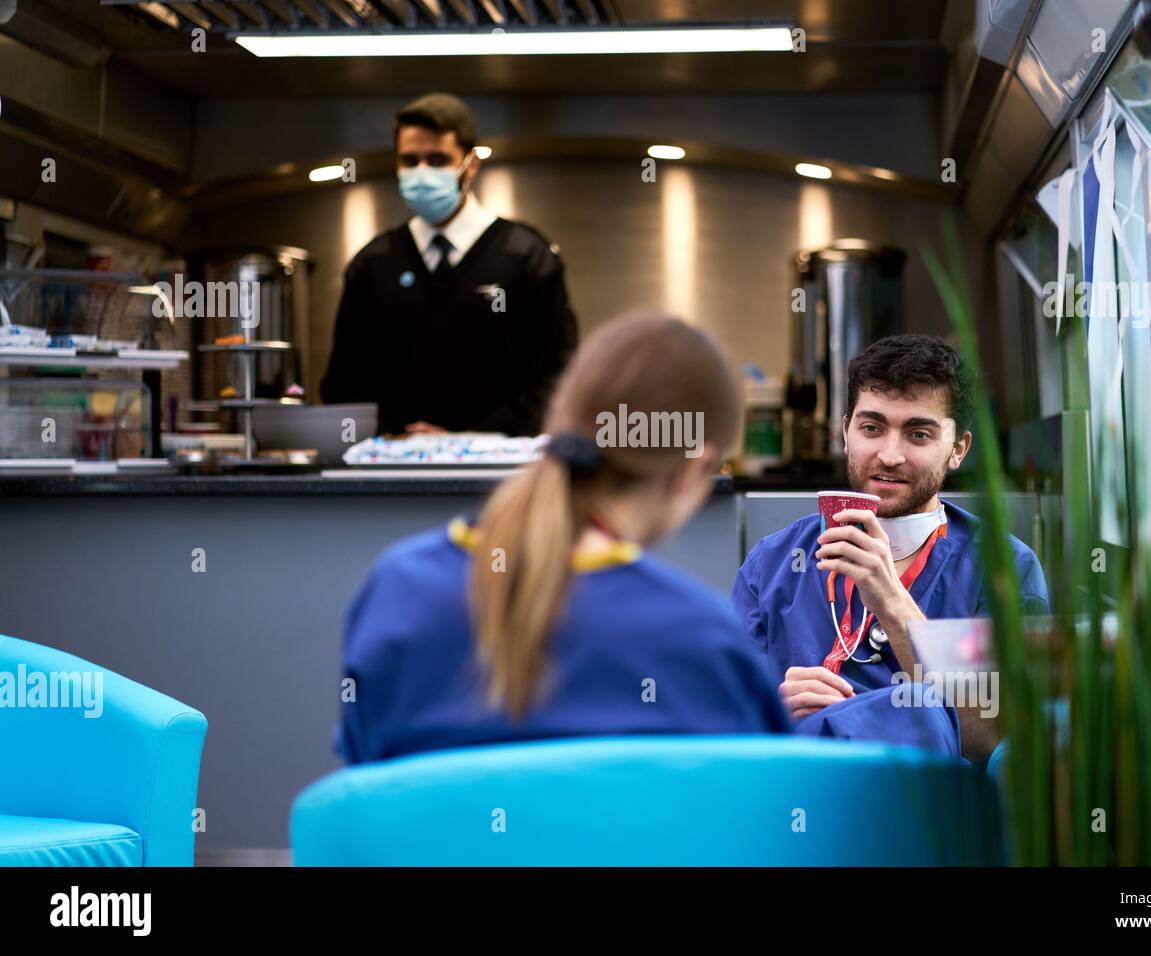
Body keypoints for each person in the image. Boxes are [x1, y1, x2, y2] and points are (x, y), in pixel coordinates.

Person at [335, 311, 789, 764]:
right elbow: (758, 814)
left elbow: (364, 784)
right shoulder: (705, 641)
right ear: (691, 471)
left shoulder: (396, 589)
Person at [731, 334, 1048, 761]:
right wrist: (774, 710)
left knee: (927, 716)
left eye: (918, 433)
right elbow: (723, 730)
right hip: (796, 804)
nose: (889, 455)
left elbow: (996, 743)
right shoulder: (772, 565)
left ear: (958, 449)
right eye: (872, 428)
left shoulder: (1005, 570)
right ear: (846, 432)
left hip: (926, 816)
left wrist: (892, 601)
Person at [319, 92, 577, 436]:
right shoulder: (373, 264)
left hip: (502, 471)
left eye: (438, 160)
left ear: (470, 165)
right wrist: (395, 437)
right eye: (410, 161)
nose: (422, 172)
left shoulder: (527, 257)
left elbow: (559, 378)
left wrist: (470, 440)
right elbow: (344, 382)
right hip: (392, 468)